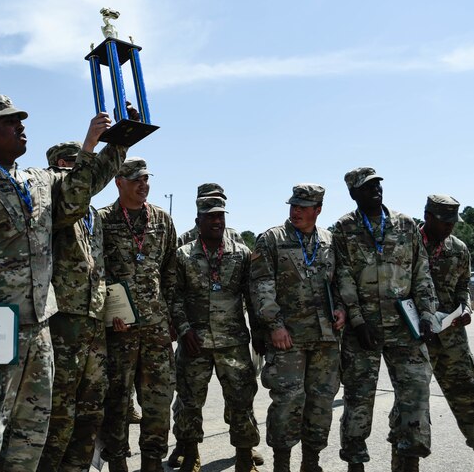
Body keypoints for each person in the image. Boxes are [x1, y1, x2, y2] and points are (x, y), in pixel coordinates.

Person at [0, 94, 127, 472]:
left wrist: (119, 141)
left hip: (39, 335)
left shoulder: (37, 181)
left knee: (29, 439)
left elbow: (83, 187)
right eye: (9, 122)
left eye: (20, 120)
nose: (21, 127)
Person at [333, 167, 438, 472]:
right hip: (362, 328)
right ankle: (355, 462)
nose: (375, 190)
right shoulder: (344, 229)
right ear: (354, 193)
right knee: (358, 399)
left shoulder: (406, 225)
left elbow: (421, 271)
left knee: (416, 391)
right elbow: (342, 277)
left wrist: (428, 313)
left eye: (377, 184)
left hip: (405, 326)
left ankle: (407, 459)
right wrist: (356, 320)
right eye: (367, 187)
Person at [250, 184, 346, 472]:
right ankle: (282, 464)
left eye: (304, 207)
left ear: (318, 210)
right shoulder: (271, 239)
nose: (296, 211)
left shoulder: (329, 240)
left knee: (321, 403)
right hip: (287, 339)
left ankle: (311, 463)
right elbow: (261, 286)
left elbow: (338, 282)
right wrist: (275, 326)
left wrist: (341, 308)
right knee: (288, 402)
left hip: (325, 338)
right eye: (293, 205)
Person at [170, 182, 262, 469]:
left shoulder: (240, 252)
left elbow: (251, 293)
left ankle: (245, 453)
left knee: (241, 399)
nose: (216, 220)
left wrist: (258, 331)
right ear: (198, 218)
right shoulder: (183, 253)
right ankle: (189, 450)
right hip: (194, 342)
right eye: (210, 215)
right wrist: (183, 329)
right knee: (188, 400)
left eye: (220, 214)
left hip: (232, 341)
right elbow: (174, 296)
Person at [417, 195, 474, 472]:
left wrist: (466, 307)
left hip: (451, 335)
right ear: (428, 216)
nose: (449, 228)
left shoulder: (458, 249)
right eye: (444, 222)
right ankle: (406, 464)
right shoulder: (408, 246)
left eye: (453, 222)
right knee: (412, 402)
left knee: (468, 393)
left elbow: (463, 286)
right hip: (416, 337)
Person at [98, 157, 177, 472]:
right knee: (116, 402)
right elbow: (94, 273)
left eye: (146, 179)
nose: (143, 185)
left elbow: (170, 270)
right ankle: (117, 461)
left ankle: (153, 462)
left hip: (156, 330)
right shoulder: (102, 220)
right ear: (119, 182)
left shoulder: (161, 219)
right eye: (136, 180)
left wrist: (170, 315)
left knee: (158, 402)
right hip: (119, 331)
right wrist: (106, 313)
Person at [36, 141, 108, 471]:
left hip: (93, 320)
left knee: (91, 410)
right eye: (78, 164)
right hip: (63, 320)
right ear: (63, 166)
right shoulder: (51, 204)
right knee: (60, 413)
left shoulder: (93, 214)